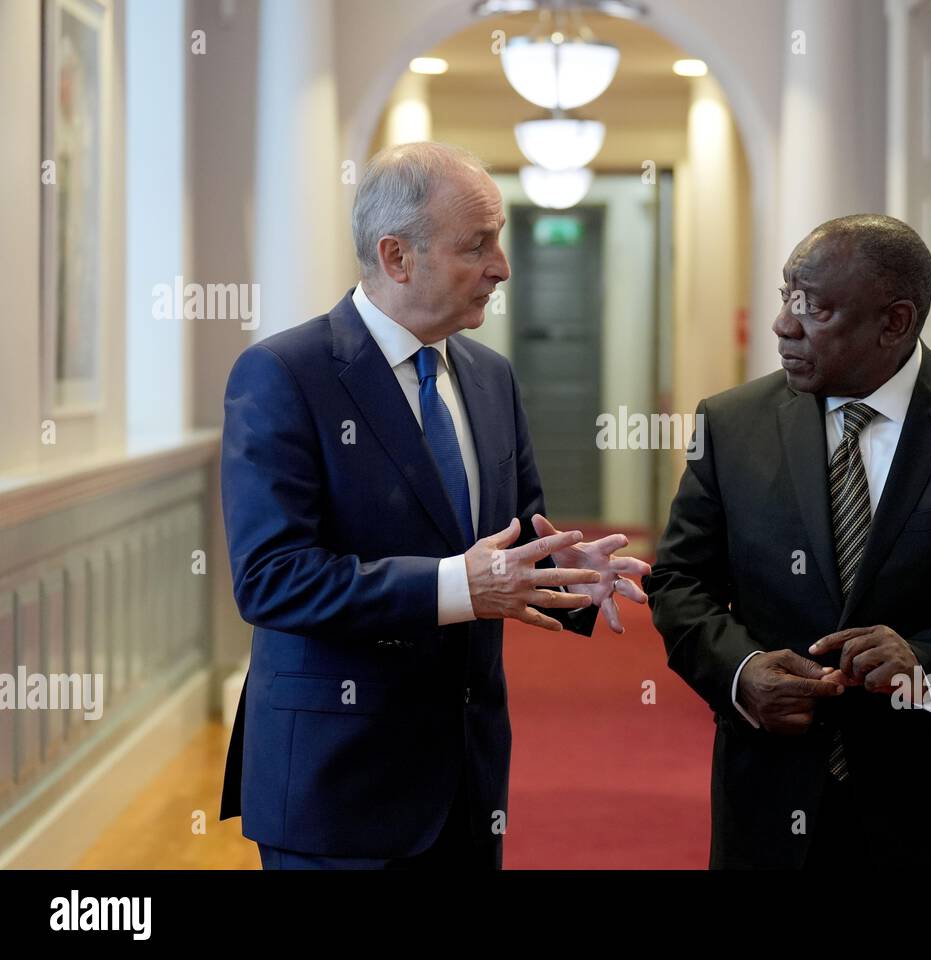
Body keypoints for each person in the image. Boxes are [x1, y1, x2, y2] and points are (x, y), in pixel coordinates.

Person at [218, 142, 651, 869]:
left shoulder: (490, 376)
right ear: (397, 257)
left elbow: (514, 541)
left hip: (468, 780)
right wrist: (458, 585)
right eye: (477, 246)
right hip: (338, 783)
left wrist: (564, 572)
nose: (502, 268)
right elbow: (272, 578)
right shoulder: (283, 375)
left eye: (500, 242)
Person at [646, 214, 931, 869]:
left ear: (895, 322)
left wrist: (927, 664)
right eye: (785, 297)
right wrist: (741, 673)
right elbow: (679, 581)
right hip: (773, 796)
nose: (784, 325)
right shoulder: (731, 424)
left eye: (816, 308)